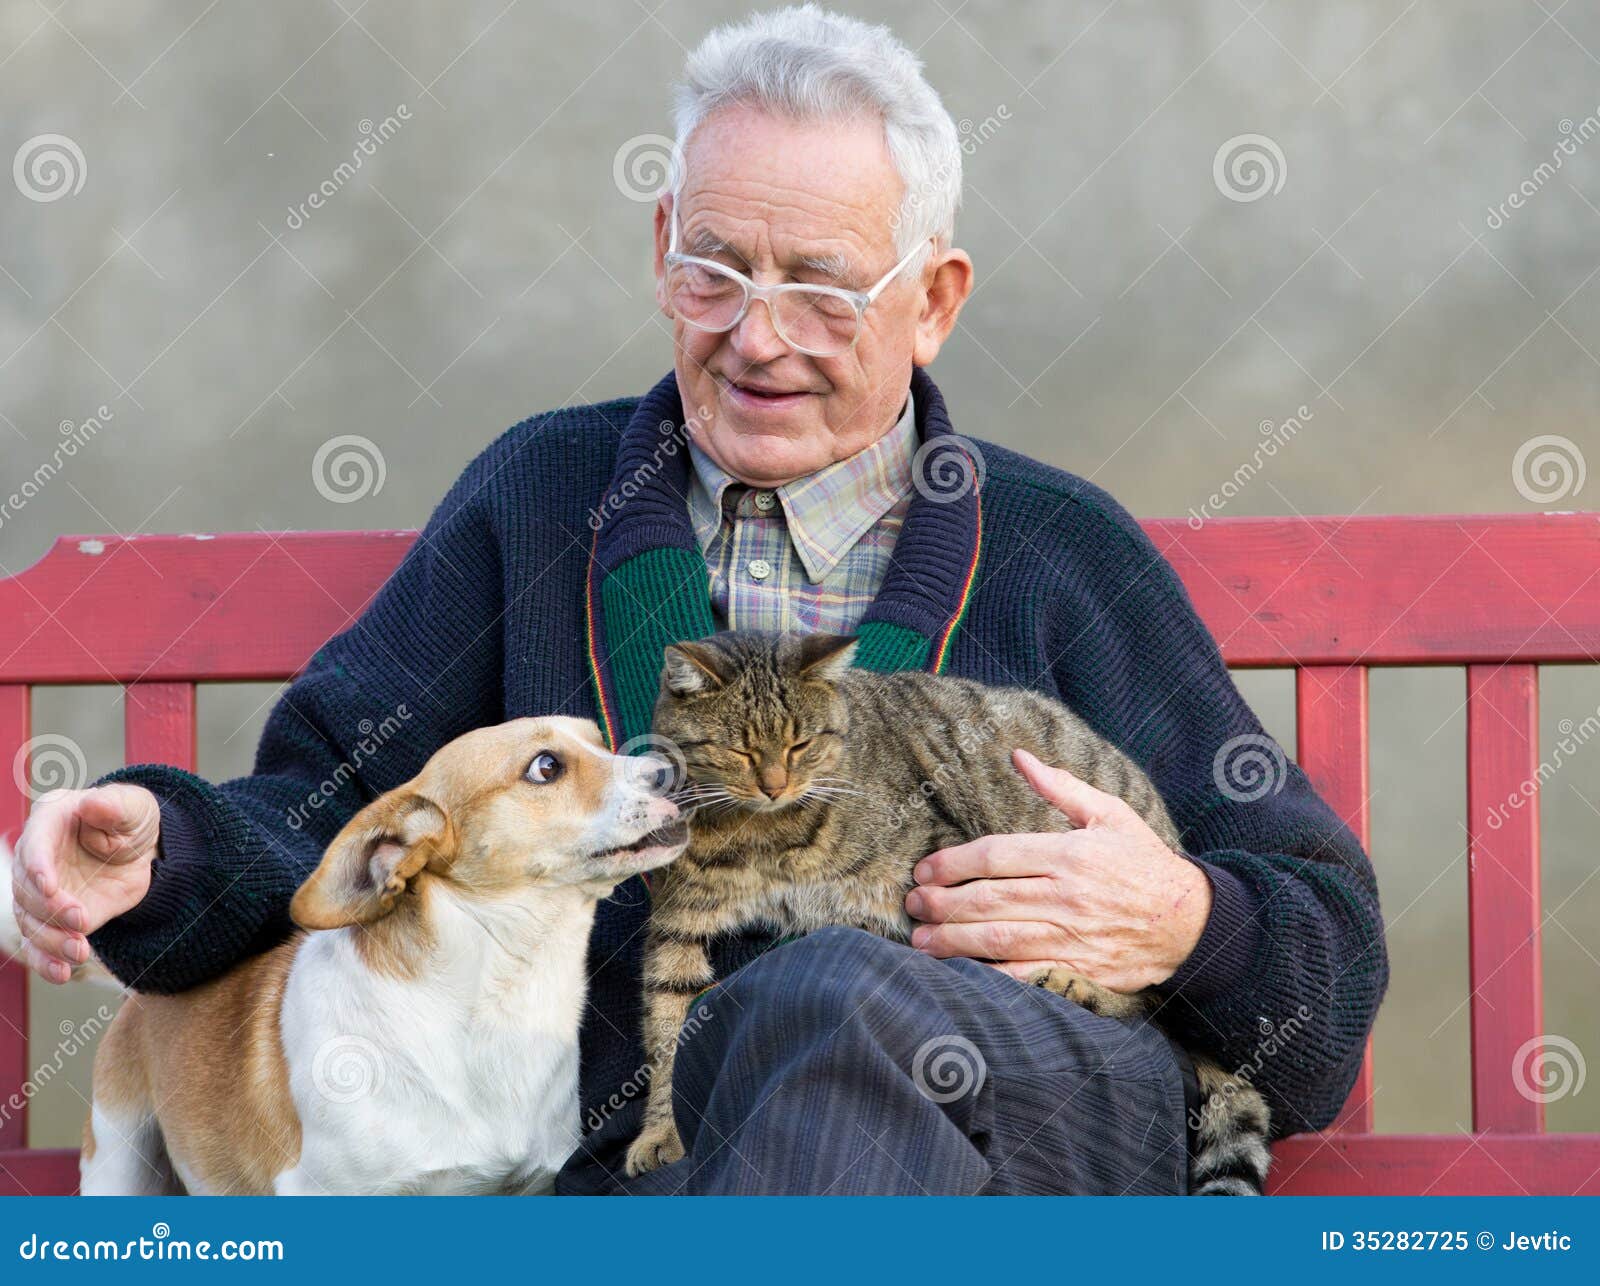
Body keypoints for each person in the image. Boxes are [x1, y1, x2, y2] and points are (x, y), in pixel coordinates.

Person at [6, 5, 1385, 1195]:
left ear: (936, 302)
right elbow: (330, 813)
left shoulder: (1062, 554)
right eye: (716, 269)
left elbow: (1325, 960)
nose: (758, 333)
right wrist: (162, 853)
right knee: (763, 1063)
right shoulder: (539, 501)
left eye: (824, 289)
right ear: (664, 244)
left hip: (1023, 1120)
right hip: (653, 1179)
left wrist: (1190, 918)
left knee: (825, 1000)